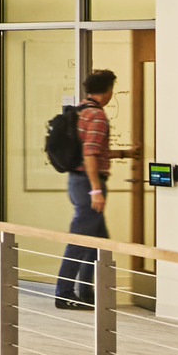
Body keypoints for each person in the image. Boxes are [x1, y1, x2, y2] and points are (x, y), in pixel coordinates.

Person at [52, 66, 119, 309]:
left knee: (98, 242)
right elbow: (90, 154)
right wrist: (96, 190)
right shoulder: (97, 116)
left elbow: (90, 150)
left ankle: (88, 292)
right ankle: (65, 293)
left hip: (76, 180)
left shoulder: (81, 111)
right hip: (87, 184)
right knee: (80, 240)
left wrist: (124, 153)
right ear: (109, 91)